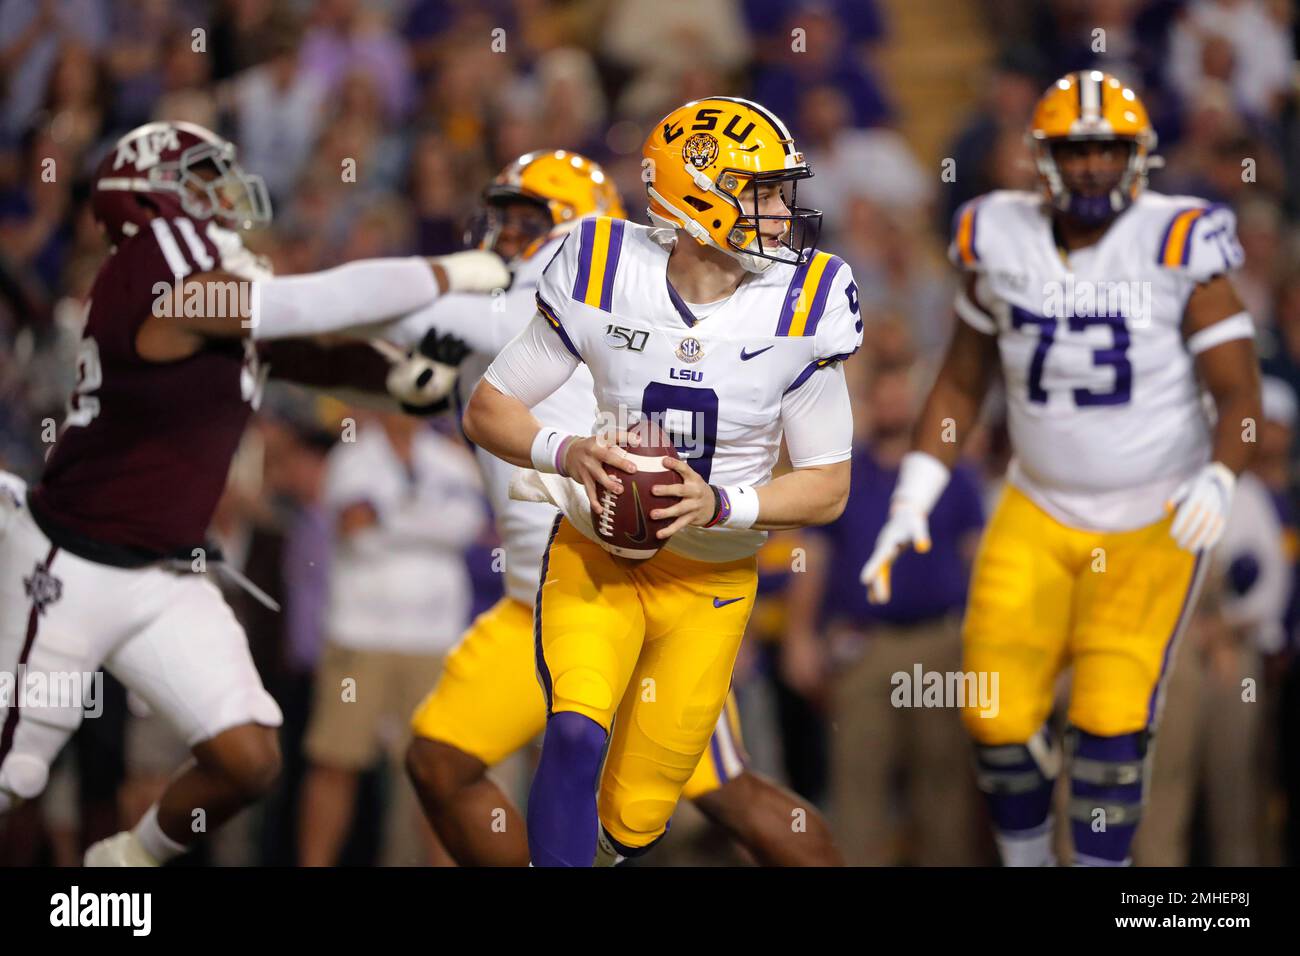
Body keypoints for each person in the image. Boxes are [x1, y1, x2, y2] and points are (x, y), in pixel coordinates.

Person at [0, 120, 506, 866]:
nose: (226, 193)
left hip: (163, 571)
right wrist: (446, 274)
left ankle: (121, 868)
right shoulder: (153, 275)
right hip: (67, 569)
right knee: (14, 779)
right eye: (202, 176)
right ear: (149, 201)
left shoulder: (206, 293)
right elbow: (304, 310)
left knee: (248, 760)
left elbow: (307, 351)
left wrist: (403, 381)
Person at [391, 149, 842, 866]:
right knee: (440, 758)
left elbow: (404, 318)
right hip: (548, 584)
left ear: (570, 225)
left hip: (671, 568)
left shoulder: (544, 294)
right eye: (502, 220)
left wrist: (273, 307)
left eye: (526, 221)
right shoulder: (548, 296)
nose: (506, 238)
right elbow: (458, 383)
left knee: (717, 798)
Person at [859, 71, 1262, 867]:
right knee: (995, 716)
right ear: (1042, 156)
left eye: (1108, 149)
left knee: (1112, 727)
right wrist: (916, 490)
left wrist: (1220, 474)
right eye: (1076, 150)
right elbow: (963, 380)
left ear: (1138, 156)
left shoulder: (1180, 241)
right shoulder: (996, 233)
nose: (1090, 167)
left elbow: (1239, 391)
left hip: (1153, 517)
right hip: (1036, 507)